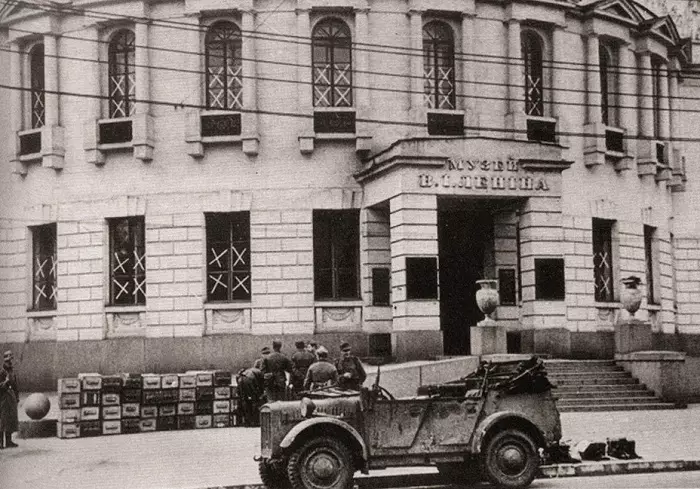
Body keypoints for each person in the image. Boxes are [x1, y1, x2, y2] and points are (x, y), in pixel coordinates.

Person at [0, 350, 19, 449]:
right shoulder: (1, 371)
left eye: (11, 359)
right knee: (3, 421)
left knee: (10, 420)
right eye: (8, 360)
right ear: (5, 360)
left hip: (11, 398)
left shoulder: (11, 371)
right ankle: (0, 442)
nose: (10, 362)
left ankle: (8, 441)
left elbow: (15, 385)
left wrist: (17, 396)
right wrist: (5, 383)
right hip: (3, 398)